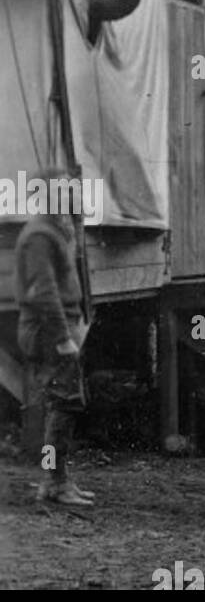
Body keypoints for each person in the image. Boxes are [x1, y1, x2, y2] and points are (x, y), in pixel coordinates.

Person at [15, 198, 94, 507]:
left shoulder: (52, 231)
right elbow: (43, 291)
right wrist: (62, 337)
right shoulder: (39, 236)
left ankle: (56, 478)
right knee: (64, 403)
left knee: (61, 404)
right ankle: (53, 481)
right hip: (47, 333)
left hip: (51, 330)